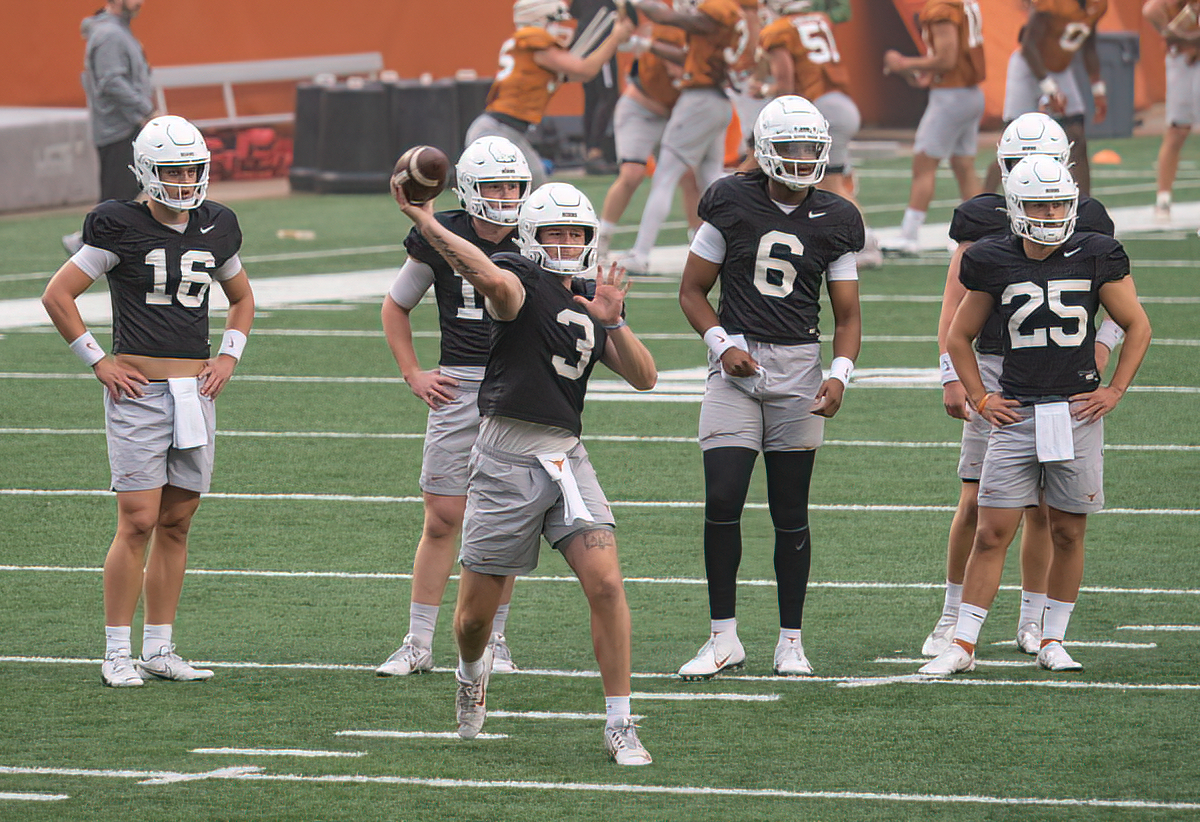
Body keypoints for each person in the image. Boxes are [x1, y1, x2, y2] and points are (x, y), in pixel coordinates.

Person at [390, 179, 657, 764]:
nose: (566, 243)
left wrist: (612, 322)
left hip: (567, 458)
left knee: (607, 584)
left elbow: (645, 377)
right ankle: (469, 672)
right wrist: (428, 222)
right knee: (472, 621)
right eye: (555, 232)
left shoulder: (589, 296)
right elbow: (489, 278)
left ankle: (620, 722)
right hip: (506, 459)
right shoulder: (518, 281)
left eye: (576, 233)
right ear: (532, 236)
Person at [41, 115, 255, 688]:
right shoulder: (119, 224)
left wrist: (229, 355)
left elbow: (241, 298)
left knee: (178, 521)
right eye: (172, 171)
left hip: (195, 392)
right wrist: (98, 361)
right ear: (144, 172)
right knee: (137, 520)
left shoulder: (216, 224)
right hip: (139, 392)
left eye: (192, 170)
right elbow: (58, 294)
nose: (185, 182)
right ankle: (116, 650)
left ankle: (159, 647)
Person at [921, 155, 1150, 676]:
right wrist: (981, 396)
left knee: (1067, 530)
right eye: (1040, 203)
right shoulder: (993, 256)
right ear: (1016, 206)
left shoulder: (1096, 252)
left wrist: (1115, 389)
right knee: (990, 529)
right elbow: (959, 335)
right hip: (1018, 410)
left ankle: (1051, 638)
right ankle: (963, 643)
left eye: (1059, 202)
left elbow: (1136, 324)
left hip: (1075, 410)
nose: (1051, 211)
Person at [676, 95, 862, 678]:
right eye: (790, 148)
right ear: (764, 149)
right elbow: (691, 291)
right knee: (724, 497)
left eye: (811, 148)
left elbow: (848, 317)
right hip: (737, 365)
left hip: (801, 369)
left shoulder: (836, 216)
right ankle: (724, 637)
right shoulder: (729, 201)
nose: (803, 159)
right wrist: (722, 344)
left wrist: (839, 375)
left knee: (790, 511)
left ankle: (790, 641)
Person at [376, 136, 533, 677]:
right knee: (443, 517)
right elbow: (396, 306)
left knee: (506, 518)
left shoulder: (536, 232)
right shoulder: (445, 232)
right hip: (460, 382)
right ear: (467, 188)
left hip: (518, 386)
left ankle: (496, 641)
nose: (507, 194)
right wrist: (413, 373)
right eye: (494, 185)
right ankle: (418, 640)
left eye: (513, 184)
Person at [618, 0, 746, 274]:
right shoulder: (723, 19)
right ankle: (739, 239)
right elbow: (686, 54)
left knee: (665, 176)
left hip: (700, 99)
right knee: (711, 177)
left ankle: (640, 254)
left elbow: (671, 18)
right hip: (717, 99)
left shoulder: (715, 11)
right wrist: (647, 46)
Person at [755, 0, 881, 267]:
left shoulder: (779, 30)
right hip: (840, 103)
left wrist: (763, 90)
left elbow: (785, 86)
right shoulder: (818, 19)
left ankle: (866, 243)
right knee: (821, 182)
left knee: (830, 185)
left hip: (823, 110)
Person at [464, 0, 635, 190]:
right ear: (539, 20)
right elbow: (586, 69)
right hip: (499, 131)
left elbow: (580, 72)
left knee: (533, 189)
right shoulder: (535, 43)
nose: (558, 28)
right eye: (554, 22)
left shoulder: (526, 47)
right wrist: (614, 38)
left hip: (505, 130)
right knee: (531, 191)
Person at [881, 0, 986, 255]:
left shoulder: (942, 8)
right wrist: (925, 71)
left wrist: (905, 63)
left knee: (924, 165)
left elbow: (947, 59)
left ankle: (909, 235)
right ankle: (980, 233)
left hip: (951, 97)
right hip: (969, 94)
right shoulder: (962, 4)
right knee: (963, 166)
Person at [596, 23, 702, 263]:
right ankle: (602, 238)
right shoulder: (668, 30)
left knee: (688, 176)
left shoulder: (706, 29)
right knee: (632, 174)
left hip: (673, 112)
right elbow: (673, 65)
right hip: (641, 108)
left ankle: (698, 241)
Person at [981, 0, 1108, 198]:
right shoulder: (1052, 4)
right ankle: (983, 201)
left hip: (1059, 67)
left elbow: (1089, 45)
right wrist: (1050, 90)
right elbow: (1029, 47)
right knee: (1011, 142)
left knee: (1076, 136)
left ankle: (1084, 205)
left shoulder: (1096, 5)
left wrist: (1098, 89)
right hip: (1028, 65)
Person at [62, 0, 156, 256]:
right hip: (119, 128)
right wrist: (145, 111)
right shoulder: (110, 35)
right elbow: (111, 82)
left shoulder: (116, 31)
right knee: (116, 199)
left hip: (123, 125)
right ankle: (82, 244)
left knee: (124, 193)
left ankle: (85, 242)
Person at [1144, 0, 1200, 222]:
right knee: (1177, 129)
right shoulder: (1164, 7)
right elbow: (1153, 15)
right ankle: (1163, 198)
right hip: (1182, 62)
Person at [571, 0, 622, 174]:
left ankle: (590, 149)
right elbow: (626, 9)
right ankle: (594, 151)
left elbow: (574, 11)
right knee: (607, 96)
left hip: (585, 40)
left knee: (592, 98)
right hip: (601, 41)